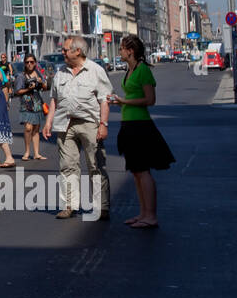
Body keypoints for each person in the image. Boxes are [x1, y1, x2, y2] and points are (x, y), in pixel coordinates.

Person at [42, 36, 112, 220]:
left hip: (90, 124)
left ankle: (101, 206)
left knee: (95, 165)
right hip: (64, 124)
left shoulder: (95, 71)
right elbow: (54, 100)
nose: (62, 52)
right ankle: (69, 205)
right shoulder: (61, 73)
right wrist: (48, 122)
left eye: (65, 50)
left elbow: (104, 100)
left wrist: (103, 125)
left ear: (77, 51)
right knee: (67, 166)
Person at [109, 35, 174, 228]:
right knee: (136, 171)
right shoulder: (130, 70)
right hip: (129, 123)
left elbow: (150, 99)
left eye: (121, 48)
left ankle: (151, 215)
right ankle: (143, 213)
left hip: (140, 125)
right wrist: (120, 102)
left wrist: (123, 101)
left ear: (130, 51)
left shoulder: (143, 70)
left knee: (143, 171)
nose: (119, 51)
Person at [14, 53, 48, 161]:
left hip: (37, 103)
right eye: (27, 62)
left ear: (35, 63)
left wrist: (40, 82)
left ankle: (37, 153)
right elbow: (18, 91)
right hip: (26, 104)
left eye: (31, 62)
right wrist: (28, 89)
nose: (29, 64)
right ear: (24, 63)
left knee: (36, 129)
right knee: (28, 128)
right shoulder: (21, 76)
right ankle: (27, 151)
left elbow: (45, 87)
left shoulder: (38, 73)